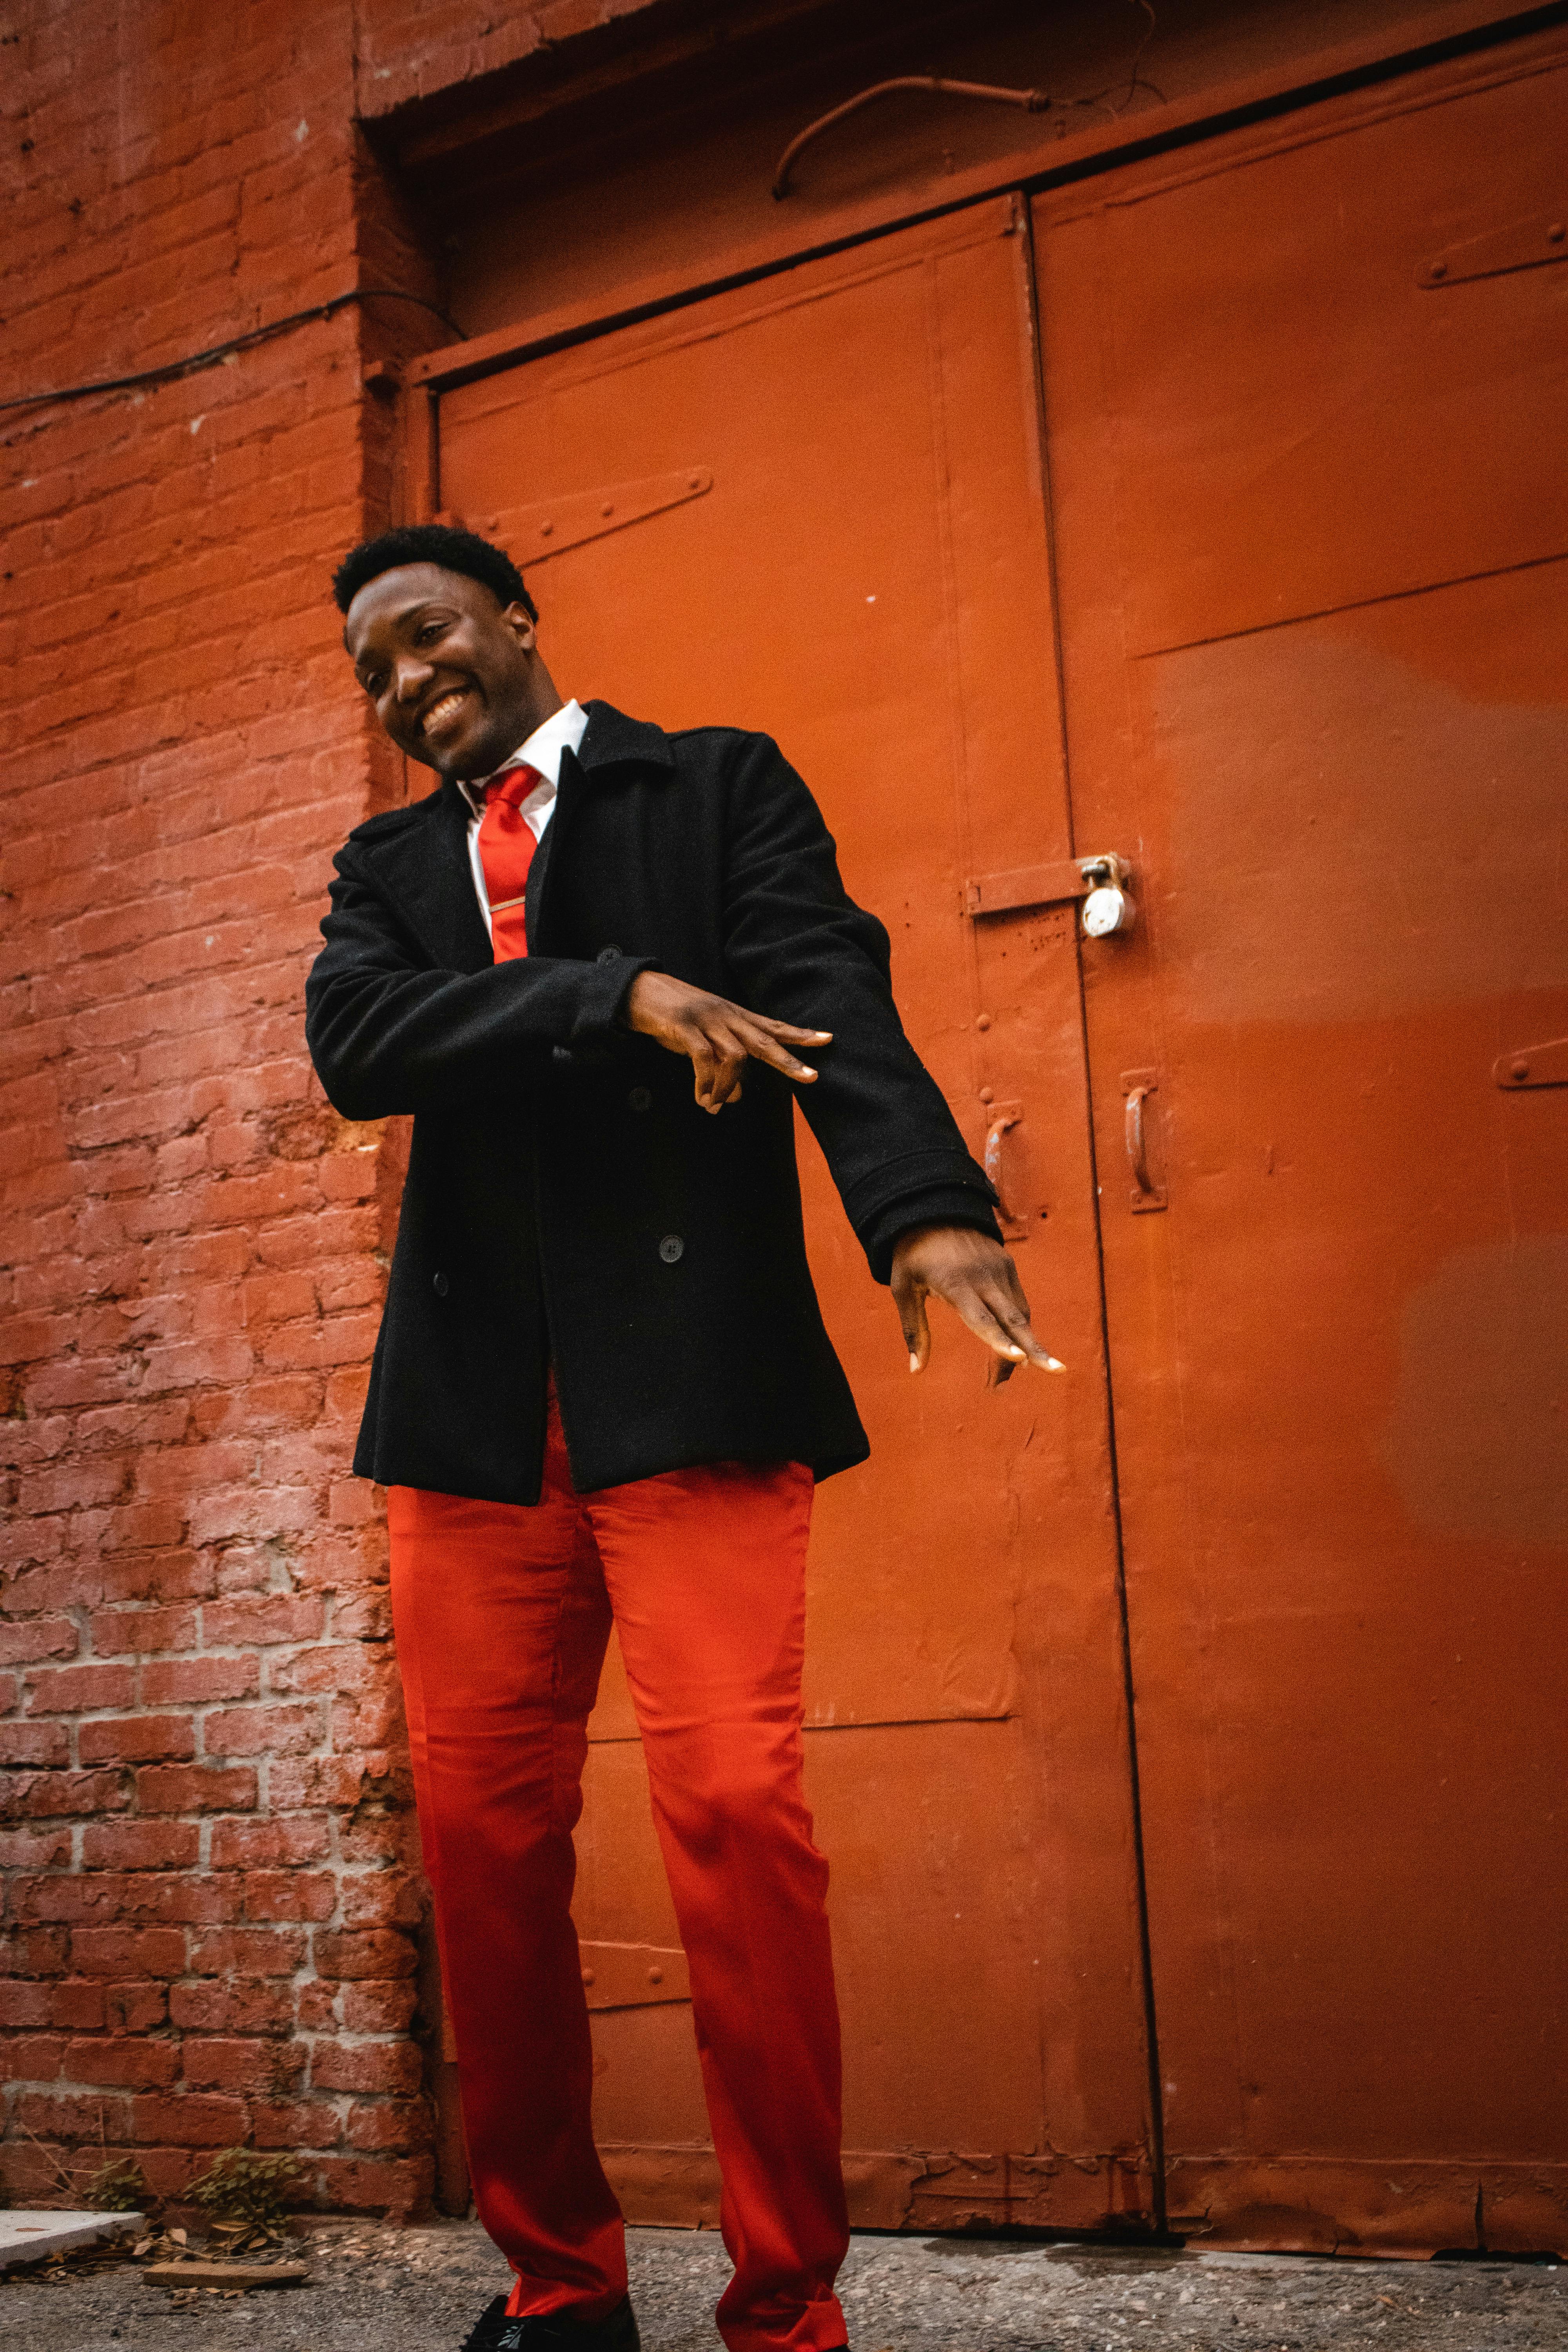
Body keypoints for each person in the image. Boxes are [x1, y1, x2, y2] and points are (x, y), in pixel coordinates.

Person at [306, 524, 1061, 2352]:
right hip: (476, 1419)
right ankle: (558, 2284)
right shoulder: (390, 862)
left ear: (513, 618)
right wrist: (611, 991)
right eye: (376, 674)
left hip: (695, 1387)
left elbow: (829, 983)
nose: (412, 684)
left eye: (429, 637)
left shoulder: (711, 787)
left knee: (735, 1815)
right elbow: (356, 1036)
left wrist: (921, 1208)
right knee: (486, 1850)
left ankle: (784, 2302)